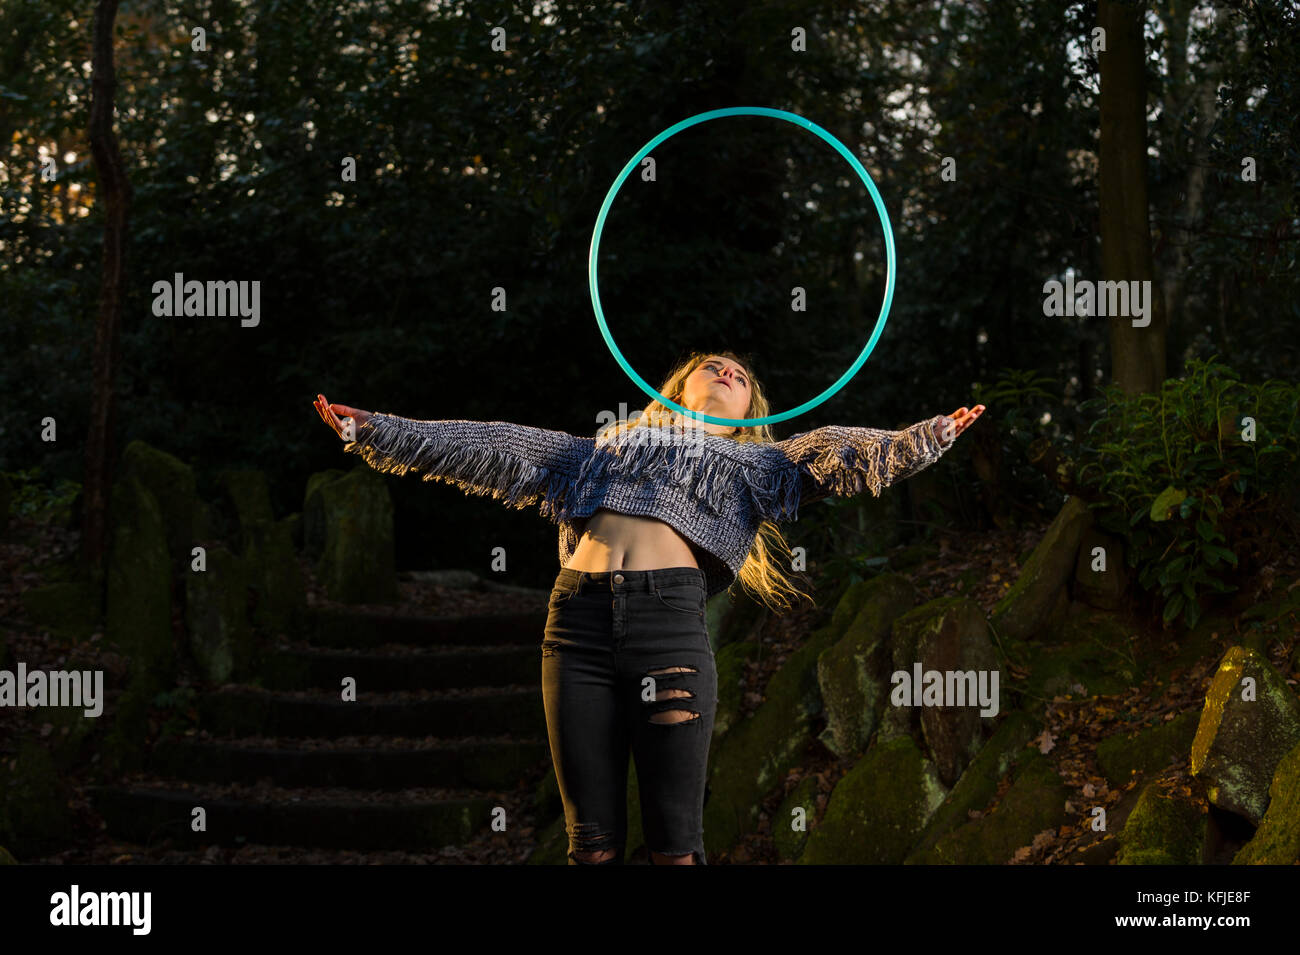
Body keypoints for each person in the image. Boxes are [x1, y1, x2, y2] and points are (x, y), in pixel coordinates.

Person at [313, 350, 984, 864]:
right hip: (573, 626)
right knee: (592, 845)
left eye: (741, 375)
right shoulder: (601, 447)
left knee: (676, 847)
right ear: (680, 386)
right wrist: (380, 430)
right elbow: (492, 443)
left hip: (667, 627)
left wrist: (924, 436)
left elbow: (840, 447)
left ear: (751, 409)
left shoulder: (759, 466)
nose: (726, 370)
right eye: (711, 365)